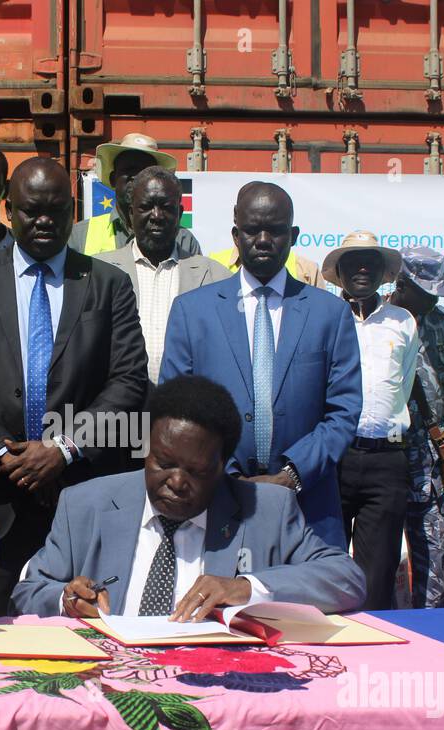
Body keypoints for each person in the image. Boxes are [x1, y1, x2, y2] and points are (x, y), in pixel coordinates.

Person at [0, 157, 149, 615]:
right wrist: (4, 454)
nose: (45, 221)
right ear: (9, 209)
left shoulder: (109, 285)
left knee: (90, 630)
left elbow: (128, 381)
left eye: (57, 210)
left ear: (73, 211)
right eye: (32, 210)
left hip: (82, 492)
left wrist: (63, 449)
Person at [13, 375, 365, 618]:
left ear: (223, 466)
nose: (177, 482)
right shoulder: (86, 503)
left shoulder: (267, 510)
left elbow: (345, 579)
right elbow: (29, 591)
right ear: (145, 450)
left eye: (196, 471)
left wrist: (245, 589)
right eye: (164, 464)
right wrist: (66, 599)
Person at [160, 181, 361, 550]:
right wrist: (225, 475)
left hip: (309, 508)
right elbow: (175, 411)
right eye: (253, 230)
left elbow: (344, 412)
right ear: (236, 235)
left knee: (306, 610)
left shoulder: (330, 314)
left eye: (276, 230)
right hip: (214, 504)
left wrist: (291, 475)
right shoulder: (192, 312)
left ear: (293, 234)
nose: (264, 239)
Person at [319, 231, 428, 610]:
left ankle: (372, 654)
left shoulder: (402, 321)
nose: (362, 268)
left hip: (387, 461)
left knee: (377, 576)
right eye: (353, 261)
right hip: (334, 458)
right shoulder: (324, 317)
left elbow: (406, 382)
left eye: (371, 262)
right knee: (325, 567)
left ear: (383, 272)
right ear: (340, 271)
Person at [94, 167, 229, 382]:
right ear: (131, 214)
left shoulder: (214, 276)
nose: (156, 216)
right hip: (120, 409)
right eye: (146, 207)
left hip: (185, 407)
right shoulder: (99, 272)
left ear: (180, 214)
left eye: (165, 207)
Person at [390, 247, 444, 609]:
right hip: (383, 464)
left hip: (427, 466)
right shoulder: (375, 322)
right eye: (425, 291)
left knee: (433, 564)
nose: (433, 299)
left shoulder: (443, 325)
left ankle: (434, 637)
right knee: (382, 566)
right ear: (402, 284)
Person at [69, 133, 202, 258]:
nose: (138, 179)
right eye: (129, 170)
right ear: (112, 178)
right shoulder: (80, 235)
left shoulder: (183, 240)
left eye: (146, 172)